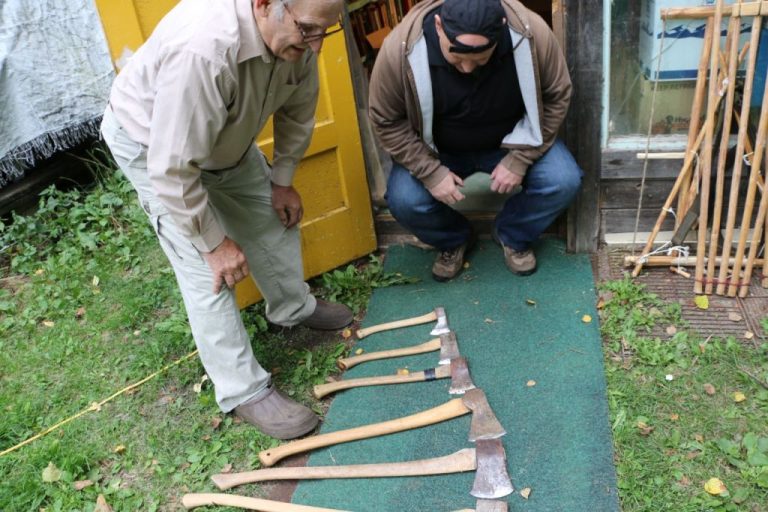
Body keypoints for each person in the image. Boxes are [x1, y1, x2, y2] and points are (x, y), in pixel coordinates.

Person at [100, 0, 351, 440]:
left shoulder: (300, 40)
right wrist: (214, 244)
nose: (314, 45)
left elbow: (298, 111)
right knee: (205, 271)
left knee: (271, 221)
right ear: (265, 4)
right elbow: (173, 168)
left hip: (224, 143)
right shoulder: (204, 48)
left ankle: (293, 309)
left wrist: (283, 179)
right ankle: (243, 391)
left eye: (323, 33)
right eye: (307, 29)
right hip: (152, 144)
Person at [369, 0, 582, 281]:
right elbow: (386, 119)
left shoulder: (531, 33)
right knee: (405, 201)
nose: (467, 68)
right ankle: (454, 239)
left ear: (502, 29)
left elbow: (557, 95)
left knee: (563, 180)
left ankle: (512, 234)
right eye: (456, 56)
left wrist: (520, 159)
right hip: (438, 151)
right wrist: (430, 172)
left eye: (481, 58)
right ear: (438, 27)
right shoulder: (401, 46)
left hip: (513, 142)